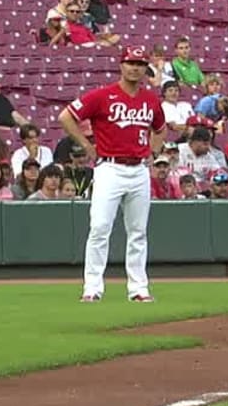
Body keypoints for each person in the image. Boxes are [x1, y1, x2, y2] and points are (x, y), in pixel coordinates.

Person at [60, 47, 165, 303]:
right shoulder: (103, 95)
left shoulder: (150, 100)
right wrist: (87, 146)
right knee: (99, 227)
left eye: (140, 63)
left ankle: (139, 288)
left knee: (138, 231)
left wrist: (151, 151)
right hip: (109, 167)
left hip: (138, 169)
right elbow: (66, 116)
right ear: (121, 65)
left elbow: (160, 129)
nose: (135, 68)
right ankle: (92, 287)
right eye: (130, 62)